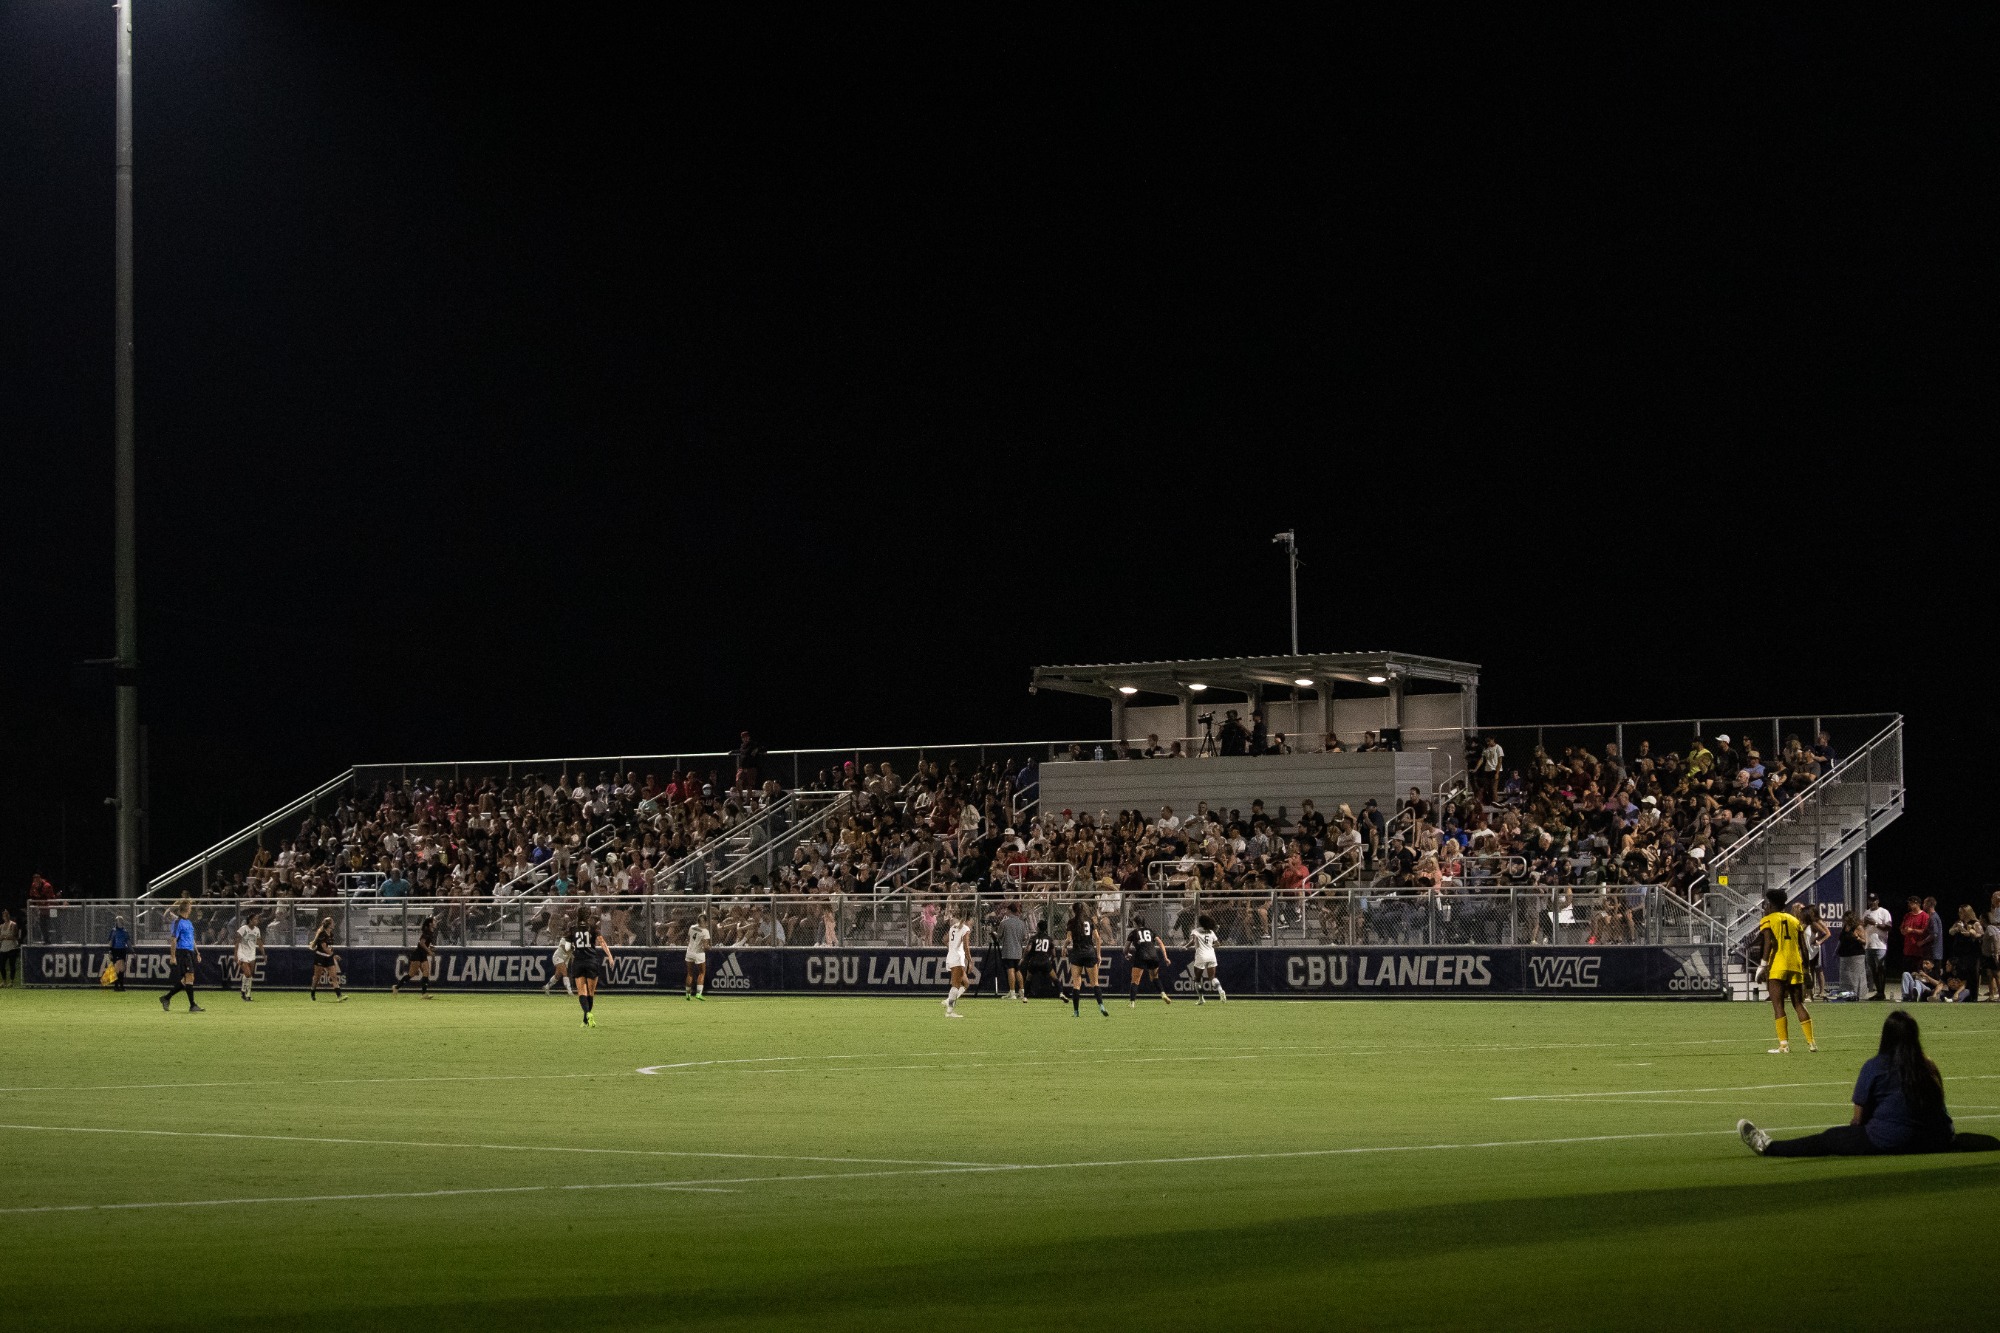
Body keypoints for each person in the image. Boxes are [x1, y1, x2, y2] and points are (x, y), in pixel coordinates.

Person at [1739, 1011, 2000, 1156]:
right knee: (1967, 1140)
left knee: (1829, 1139)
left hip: (1891, 1140)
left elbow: (1858, 1120)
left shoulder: (1876, 1066)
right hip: (1937, 1139)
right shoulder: (1928, 1065)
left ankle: (1769, 1147)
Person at [1755, 890, 1815, 1054]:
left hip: (1778, 966)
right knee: (1798, 1004)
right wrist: (1807, 970)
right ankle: (1811, 1043)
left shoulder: (1768, 919)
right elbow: (1804, 948)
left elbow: (1769, 943)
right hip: (1795, 965)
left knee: (1778, 1006)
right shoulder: (1794, 920)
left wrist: (1762, 966)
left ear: (1770, 904)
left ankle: (1784, 1045)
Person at [1062, 900, 1108, 1018]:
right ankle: (1101, 1006)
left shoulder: (1071, 922)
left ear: (1074, 910)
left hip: (1077, 953)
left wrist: (1064, 947)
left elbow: (1069, 939)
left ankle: (1076, 1012)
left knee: (1076, 984)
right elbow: (1097, 939)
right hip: (1089, 953)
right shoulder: (1090, 920)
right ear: (1084, 910)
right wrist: (1098, 954)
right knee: (1095, 983)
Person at [569, 908, 614, 1027]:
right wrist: (609, 956)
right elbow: (602, 942)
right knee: (591, 992)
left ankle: (586, 1016)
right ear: (588, 916)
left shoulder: (573, 928)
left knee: (581, 992)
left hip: (578, 961)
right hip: (591, 961)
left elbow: (568, 946)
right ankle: (587, 1017)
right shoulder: (593, 928)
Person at [158, 900, 203, 1013]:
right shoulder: (178, 922)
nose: (191, 908)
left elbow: (191, 939)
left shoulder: (188, 922)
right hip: (183, 952)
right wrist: (173, 956)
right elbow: (173, 939)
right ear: (186, 909)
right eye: (190, 907)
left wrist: (197, 952)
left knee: (186, 979)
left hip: (190, 952)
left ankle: (166, 998)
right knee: (190, 976)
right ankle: (192, 1005)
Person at [1124, 917, 1172, 1007]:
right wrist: (1165, 957)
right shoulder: (1151, 931)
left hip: (1141, 956)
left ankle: (1132, 1003)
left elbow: (1126, 948)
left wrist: (1126, 954)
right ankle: (1163, 994)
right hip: (1153, 956)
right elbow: (1160, 943)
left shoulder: (1133, 932)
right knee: (1155, 977)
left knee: (1135, 980)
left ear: (1135, 923)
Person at [392, 913, 439, 997]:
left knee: (426, 972)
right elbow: (421, 943)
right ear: (430, 923)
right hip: (417, 954)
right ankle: (396, 987)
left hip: (423, 954)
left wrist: (430, 947)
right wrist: (429, 951)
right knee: (411, 974)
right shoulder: (427, 932)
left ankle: (424, 994)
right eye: (434, 921)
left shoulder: (430, 932)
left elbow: (423, 943)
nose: (436, 922)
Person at [1187, 913, 1224, 1005]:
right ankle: (1220, 990)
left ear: (1200, 923)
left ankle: (1201, 999)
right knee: (1212, 977)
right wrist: (1210, 946)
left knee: (1197, 979)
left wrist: (1185, 946)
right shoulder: (1211, 932)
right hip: (1211, 956)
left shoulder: (1196, 931)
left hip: (1201, 956)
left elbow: (1193, 941)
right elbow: (1218, 944)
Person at [942, 912, 973, 1018]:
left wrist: (952, 949)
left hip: (951, 957)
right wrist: (970, 961)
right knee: (955, 985)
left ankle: (948, 1001)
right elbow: (966, 947)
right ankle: (949, 1012)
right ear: (968, 920)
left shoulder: (953, 927)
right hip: (957, 958)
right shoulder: (965, 929)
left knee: (966, 983)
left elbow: (945, 940)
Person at [996, 902, 1028, 1003]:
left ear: (1009, 910)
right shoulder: (1021, 923)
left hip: (1008, 950)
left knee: (1010, 970)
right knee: (1017, 970)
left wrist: (994, 933)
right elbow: (1025, 937)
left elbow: (999, 936)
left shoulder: (1004, 923)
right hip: (1018, 950)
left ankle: (1012, 992)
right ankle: (1022, 991)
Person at [1862, 893, 1892, 1001]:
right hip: (1869, 945)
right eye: (1870, 900)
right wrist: (1865, 923)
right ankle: (1879, 992)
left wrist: (1874, 923)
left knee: (1881, 969)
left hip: (1880, 945)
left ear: (1878, 901)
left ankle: (1881, 992)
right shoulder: (1866, 912)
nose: (1871, 902)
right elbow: (1863, 926)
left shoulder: (1883, 912)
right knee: (1873, 970)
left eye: (1873, 900)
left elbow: (1888, 927)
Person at [233, 908, 266, 1002]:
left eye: (257, 919)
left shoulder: (257, 930)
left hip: (251, 953)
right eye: (255, 919)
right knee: (248, 973)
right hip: (242, 952)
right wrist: (235, 954)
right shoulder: (243, 928)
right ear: (250, 920)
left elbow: (259, 943)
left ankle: (244, 991)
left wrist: (263, 954)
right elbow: (237, 941)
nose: (257, 920)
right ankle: (247, 994)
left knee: (249, 975)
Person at [1835, 913, 1868, 1000]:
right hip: (1844, 955)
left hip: (1856, 955)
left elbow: (1865, 941)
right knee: (1845, 976)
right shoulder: (1845, 927)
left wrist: (1857, 938)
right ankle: (1845, 994)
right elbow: (1841, 940)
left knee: (1855, 977)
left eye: (1846, 919)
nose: (1844, 920)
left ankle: (1856, 994)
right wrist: (1836, 951)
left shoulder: (1858, 927)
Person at [1023, 920, 1057, 999]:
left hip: (1034, 960)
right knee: (1055, 978)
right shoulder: (1049, 938)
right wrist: (1051, 960)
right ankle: (1061, 993)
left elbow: (1028, 949)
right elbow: (1054, 954)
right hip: (1045, 960)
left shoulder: (1033, 937)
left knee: (1028, 978)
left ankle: (1025, 996)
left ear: (1038, 928)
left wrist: (1023, 958)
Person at [544, 916, 575, 995]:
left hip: (565, 960)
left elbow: (571, 952)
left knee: (557, 976)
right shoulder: (564, 939)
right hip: (558, 957)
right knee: (565, 973)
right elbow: (565, 949)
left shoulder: (573, 941)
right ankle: (570, 992)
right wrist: (571, 950)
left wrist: (572, 956)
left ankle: (547, 986)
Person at [684, 915, 712, 1000]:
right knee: (702, 973)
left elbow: (688, 939)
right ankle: (698, 994)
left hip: (689, 952)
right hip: (699, 953)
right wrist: (710, 947)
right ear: (705, 922)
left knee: (690, 973)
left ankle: (688, 994)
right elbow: (705, 946)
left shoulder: (692, 927)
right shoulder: (705, 931)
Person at [106, 914, 129, 992]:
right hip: (115, 950)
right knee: (116, 969)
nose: (117, 922)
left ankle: (121, 985)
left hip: (122, 950)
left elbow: (127, 941)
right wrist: (110, 951)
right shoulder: (114, 931)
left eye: (118, 921)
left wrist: (132, 951)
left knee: (122, 969)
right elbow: (111, 941)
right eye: (117, 921)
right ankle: (116, 986)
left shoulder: (125, 931)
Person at [0, 909, 19, 987]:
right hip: (3, 948)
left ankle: (11, 981)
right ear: (3, 917)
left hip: (12, 948)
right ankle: (4, 981)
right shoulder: (1, 926)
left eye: (7, 915)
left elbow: (14, 936)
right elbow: (0, 937)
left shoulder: (13, 924)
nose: (6, 917)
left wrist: (4, 937)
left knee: (12, 965)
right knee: (2, 965)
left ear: (9, 916)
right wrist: (5, 937)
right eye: (4, 916)